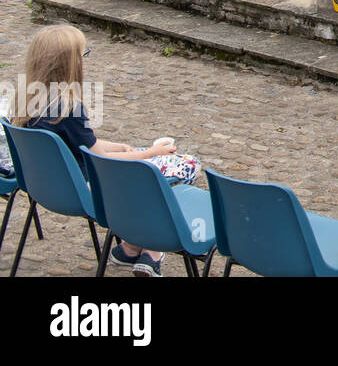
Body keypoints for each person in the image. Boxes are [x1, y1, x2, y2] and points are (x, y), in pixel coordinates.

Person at [14, 24, 201, 277]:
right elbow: (98, 157)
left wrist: (120, 147)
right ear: (72, 64)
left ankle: (130, 247)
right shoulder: (69, 108)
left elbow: (84, 144)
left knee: (137, 165)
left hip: (48, 186)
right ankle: (153, 250)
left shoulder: (25, 100)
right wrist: (152, 152)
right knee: (182, 166)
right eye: (83, 54)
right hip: (85, 188)